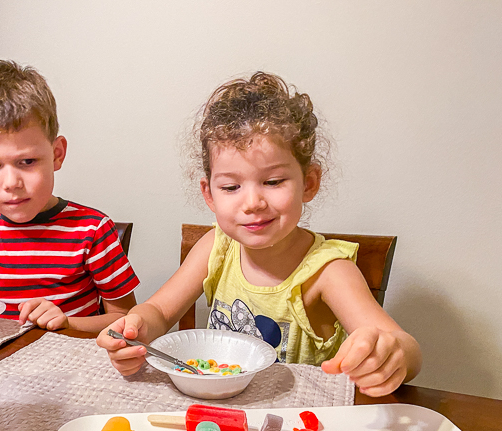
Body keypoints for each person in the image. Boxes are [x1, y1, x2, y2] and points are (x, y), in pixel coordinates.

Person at [97, 72, 421, 396]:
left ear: (309, 183)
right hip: (217, 418)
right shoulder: (216, 247)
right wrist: (135, 328)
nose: (252, 203)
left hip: (295, 430)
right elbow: (160, 312)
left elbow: (406, 349)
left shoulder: (328, 271)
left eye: (273, 181)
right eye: (231, 187)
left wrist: (392, 355)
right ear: (209, 194)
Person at [0, 60, 139, 333]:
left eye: (27, 161)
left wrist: (67, 322)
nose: (12, 183)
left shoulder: (92, 230)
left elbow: (126, 321)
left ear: (57, 154)